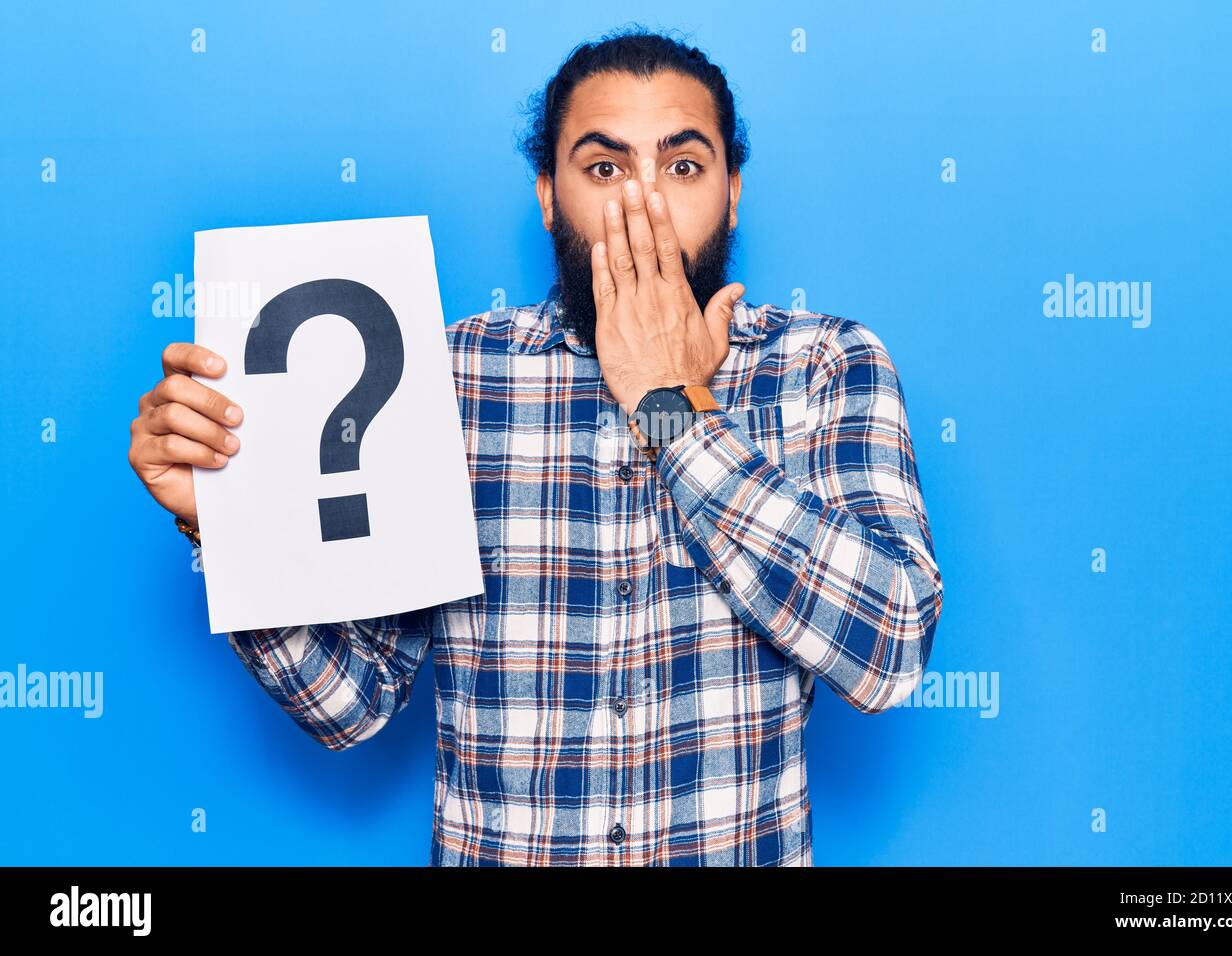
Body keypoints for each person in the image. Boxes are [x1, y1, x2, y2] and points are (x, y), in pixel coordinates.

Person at [127, 26, 943, 866]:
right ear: (549, 196)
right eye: (604, 168)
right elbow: (351, 703)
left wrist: (669, 407)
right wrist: (228, 525)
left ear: (733, 192)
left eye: (683, 165)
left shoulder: (825, 367)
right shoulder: (448, 375)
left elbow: (889, 649)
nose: (643, 205)